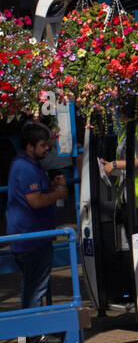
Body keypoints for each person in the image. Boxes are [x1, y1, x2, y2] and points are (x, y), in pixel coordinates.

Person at [5, 120, 68, 310]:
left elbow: (33, 194)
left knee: (34, 285)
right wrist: (58, 193)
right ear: (29, 146)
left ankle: (35, 327)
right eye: (42, 145)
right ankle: (35, 330)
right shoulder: (25, 167)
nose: (47, 148)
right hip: (31, 239)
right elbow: (34, 200)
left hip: (33, 237)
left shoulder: (30, 164)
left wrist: (49, 187)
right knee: (35, 287)